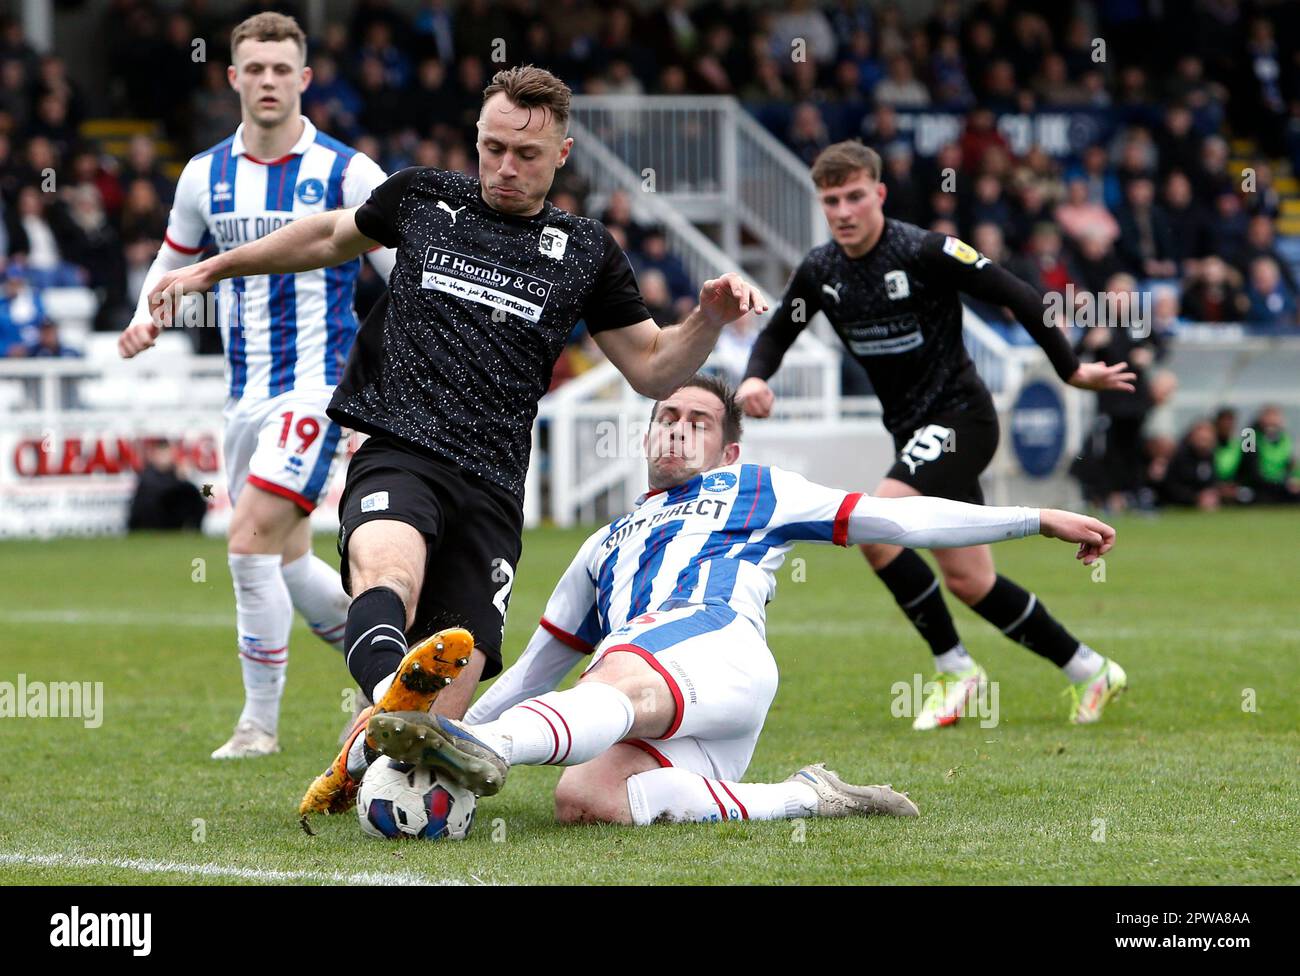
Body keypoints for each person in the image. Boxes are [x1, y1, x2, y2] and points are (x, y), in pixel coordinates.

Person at [145, 64, 768, 817]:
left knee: (443, 718)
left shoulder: (584, 250)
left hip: (494, 487)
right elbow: (326, 236)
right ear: (476, 138)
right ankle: (388, 696)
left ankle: (379, 736)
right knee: (388, 572)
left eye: (527, 155)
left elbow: (652, 367)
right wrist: (212, 265)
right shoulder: (422, 196)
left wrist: (706, 318)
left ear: (563, 153)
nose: (505, 167)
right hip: (398, 447)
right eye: (492, 147)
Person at [362, 376, 1118, 825]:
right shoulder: (605, 544)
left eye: (699, 422)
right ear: (649, 436)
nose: (679, 429)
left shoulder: (757, 488)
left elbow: (900, 516)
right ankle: (804, 796)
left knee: (617, 666)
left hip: (714, 652)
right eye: (668, 418)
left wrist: (1034, 518)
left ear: (727, 451)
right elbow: (530, 672)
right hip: (669, 695)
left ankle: (491, 756)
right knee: (586, 800)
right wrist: (418, 730)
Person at [736, 140, 1135, 729]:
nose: (843, 211)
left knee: (876, 525)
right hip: (911, 434)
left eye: (853, 197)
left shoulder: (923, 250)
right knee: (972, 581)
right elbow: (776, 334)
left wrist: (1070, 369)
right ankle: (1090, 670)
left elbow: (1018, 294)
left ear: (879, 193)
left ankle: (956, 669)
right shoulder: (821, 270)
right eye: (830, 202)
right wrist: (754, 380)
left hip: (961, 419)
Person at [118, 13, 396, 759]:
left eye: (282, 69)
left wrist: (399, 374)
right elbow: (173, 259)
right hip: (242, 397)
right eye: (255, 68)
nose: (268, 80)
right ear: (233, 77)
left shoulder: (349, 171)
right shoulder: (203, 174)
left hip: (314, 389)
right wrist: (148, 316)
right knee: (288, 561)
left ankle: (258, 727)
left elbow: (407, 279)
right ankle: (393, 679)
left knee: (245, 544)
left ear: (305, 80)